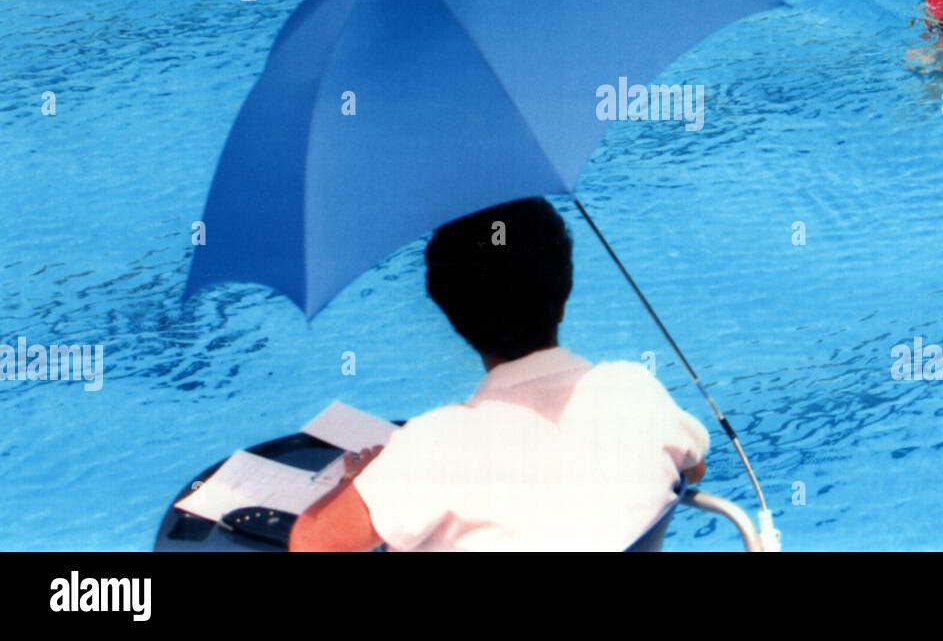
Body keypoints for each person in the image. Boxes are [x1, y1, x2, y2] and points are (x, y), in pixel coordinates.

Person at [288, 197, 709, 552]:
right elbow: (692, 470)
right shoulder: (632, 390)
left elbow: (310, 542)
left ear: (454, 317)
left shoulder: (436, 446)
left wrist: (362, 481)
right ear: (563, 292)